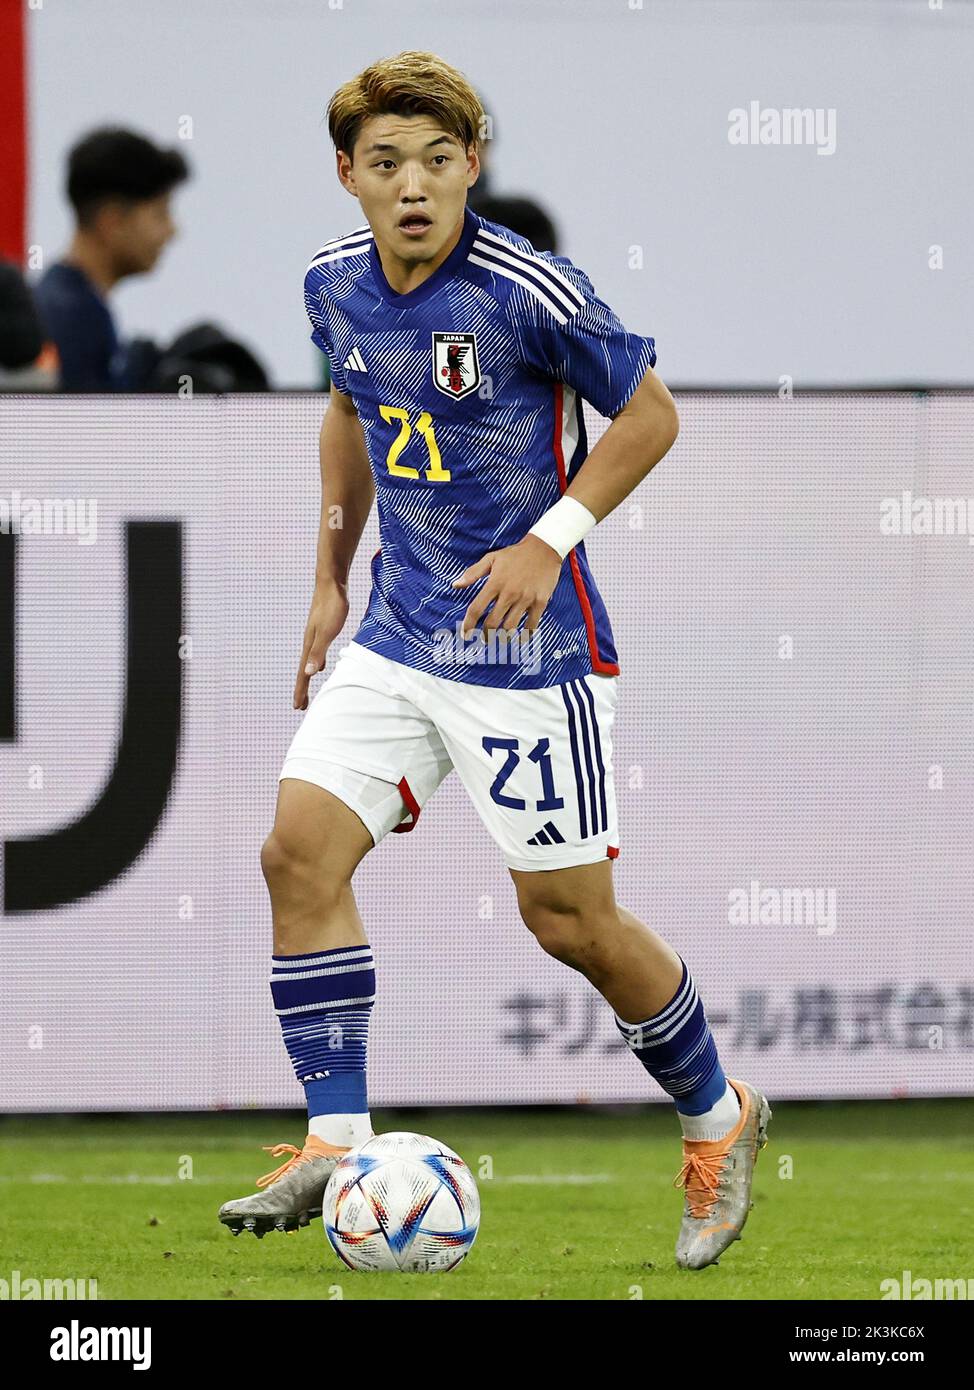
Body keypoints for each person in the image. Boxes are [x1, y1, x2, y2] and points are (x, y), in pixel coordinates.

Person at [218, 50, 771, 1271]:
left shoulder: (528, 288)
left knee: (567, 920)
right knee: (293, 850)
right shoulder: (330, 287)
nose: (410, 185)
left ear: (471, 163)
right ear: (347, 176)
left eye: (434, 160)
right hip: (398, 635)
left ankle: (714, 1111)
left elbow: (651, 415)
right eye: (383, 164)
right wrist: (326, 576)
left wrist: (546, 538)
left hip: (529, 653)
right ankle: (333, 1135)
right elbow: (349, 413)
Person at [33, 127, 189, 390]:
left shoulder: (75, 307)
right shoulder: (72, 320)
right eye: (160, 214)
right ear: (112, 222)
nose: (173, 231)